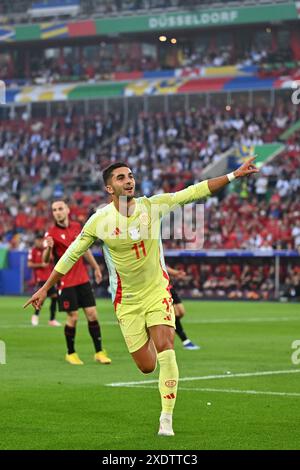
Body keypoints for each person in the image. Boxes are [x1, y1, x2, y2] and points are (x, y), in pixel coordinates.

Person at [24, 157, 258, 436]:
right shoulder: (100, 221)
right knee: (147, 366)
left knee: (166, 349)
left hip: (157, 290)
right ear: (109, 188)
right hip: (127, 300)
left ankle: (166, 420)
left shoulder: (151, 206)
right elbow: (72, 254)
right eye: (121, 178)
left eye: (131, 176)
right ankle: (148, 338)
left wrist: (233, 175)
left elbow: (194, 191)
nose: (129, 180)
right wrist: (44, 287)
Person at [42, 199, 111, 365]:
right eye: (54, 210)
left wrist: (95, 267)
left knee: (92, 314)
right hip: (65, 282)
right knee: (73, 317)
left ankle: (99, 352)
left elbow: (85, 250)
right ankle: (71, 353)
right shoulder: (50, 233)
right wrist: (49, 248)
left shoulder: (76, 228)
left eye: (60, 208)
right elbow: (46, 261)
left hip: (82, 279)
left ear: (67, 210)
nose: (57, 212)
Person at [27, 233, 60, 327]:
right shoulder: (33, 251)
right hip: (40, 278)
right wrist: (41, 265)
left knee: (54, 297)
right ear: (35, 241)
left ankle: (52, 319)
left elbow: (51, 259)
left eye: (41, 240)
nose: (40, 242)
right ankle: (35, 316)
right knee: (42, 298)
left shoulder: (47, 250)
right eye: (38, 240)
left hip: (49, 279)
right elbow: (29, 264)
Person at [166, 266, 200, 350]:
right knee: (174, 314)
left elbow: (164, 265)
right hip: (162, 287)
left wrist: (176, 273)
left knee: (181, 312)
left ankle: (168, 328)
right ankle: (185, 341)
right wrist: (175, 273)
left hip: (169, 286)